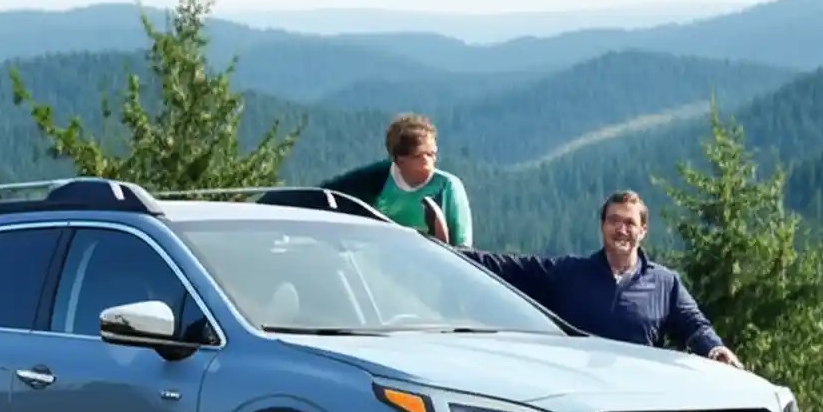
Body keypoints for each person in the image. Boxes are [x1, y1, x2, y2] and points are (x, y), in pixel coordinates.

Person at [457, 190, 744, 368]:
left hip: (642, 395)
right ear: (602, 226)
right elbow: (509, 268)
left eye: (630, 223)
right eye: (614, 221)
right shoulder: (569, 273)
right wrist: (447, 254)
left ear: (643, 230)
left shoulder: (665, 283)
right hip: (578, 398)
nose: (621, 229)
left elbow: (694, 326)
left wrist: (715, 349)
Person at [318, 113, 474, 246]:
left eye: (432, 153)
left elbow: (463, 247)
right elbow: (326, 195)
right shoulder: (376, 178)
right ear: (399, 159)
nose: (430, 160)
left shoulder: (447, 186)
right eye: (421, 155)